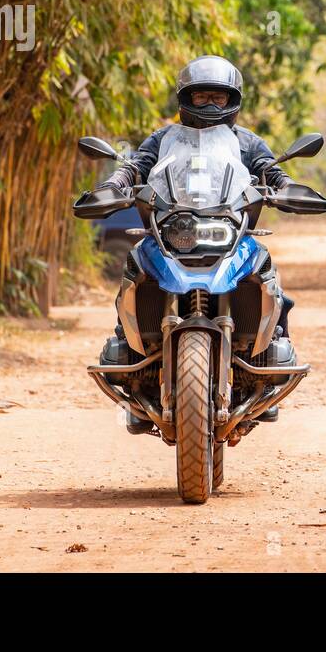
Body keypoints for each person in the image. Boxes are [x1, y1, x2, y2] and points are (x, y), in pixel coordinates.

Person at [94, 55, 295, 424]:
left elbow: (271, 171)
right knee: (135, 271)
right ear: (185, 98)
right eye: (201, 97)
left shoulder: (246, 142)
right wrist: (113, 186)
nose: (210, 105)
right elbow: (135, 167)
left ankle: (268, 361)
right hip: (172, 228)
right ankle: (131, 355)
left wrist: (288, 189)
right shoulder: (163, 138)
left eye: (218, 97)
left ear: (233, 100)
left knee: (270, 281)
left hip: (231, 231)